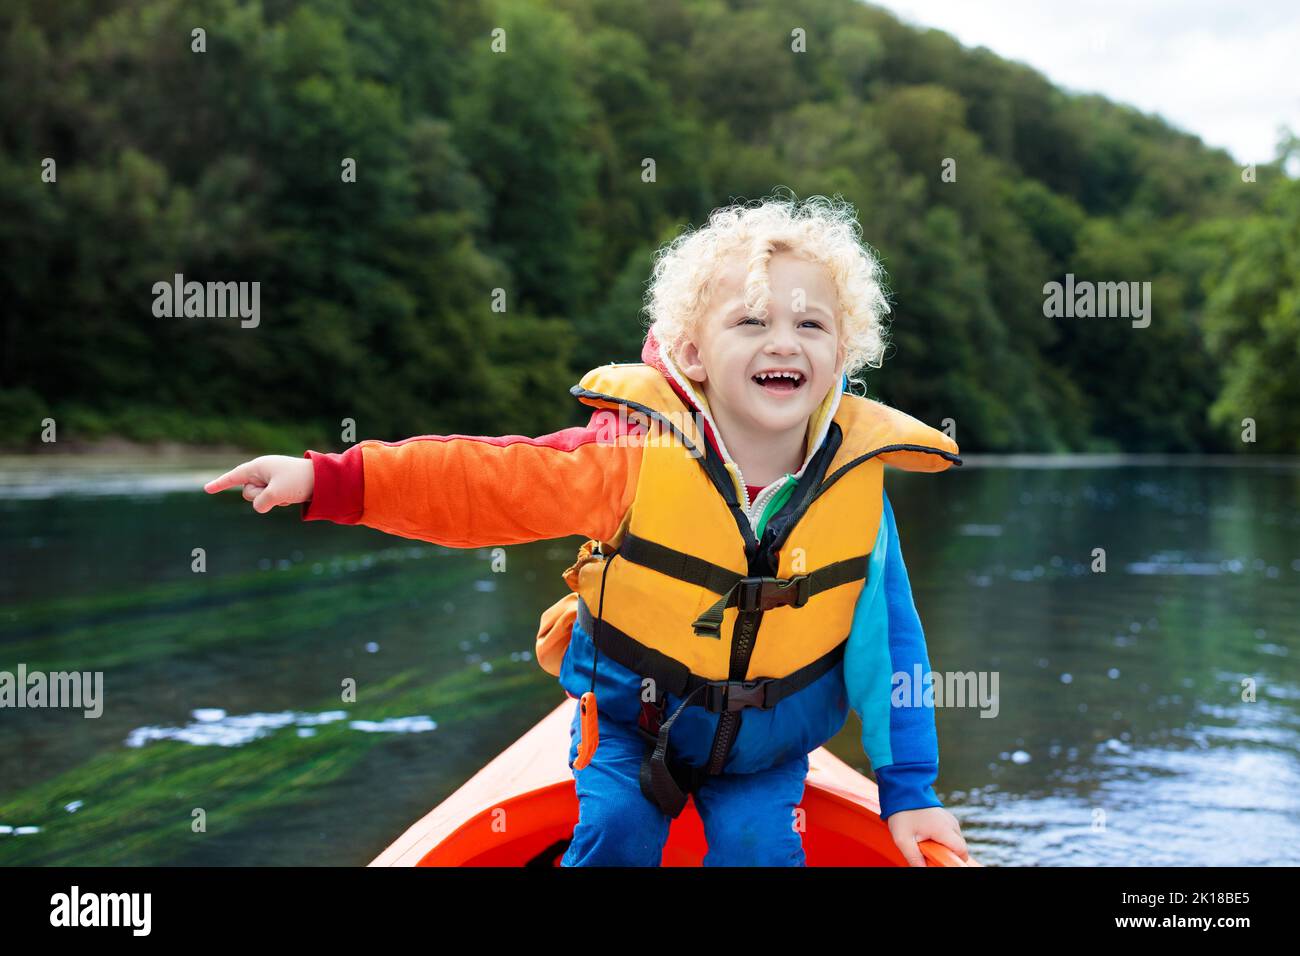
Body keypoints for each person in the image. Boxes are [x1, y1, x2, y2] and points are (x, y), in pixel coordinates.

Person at [204, 195, 970, 867]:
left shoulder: (858, 497)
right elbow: (485, 484)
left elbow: (890, 654)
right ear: (693, 354)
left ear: (843, 351)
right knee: (617, 826)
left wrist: (911, 793)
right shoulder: (629, 460)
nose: (784, 341)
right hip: (635, 720)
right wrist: (330, 481)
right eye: (751, 320)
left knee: (760, 849)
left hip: (765, 750)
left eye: (811, 323)